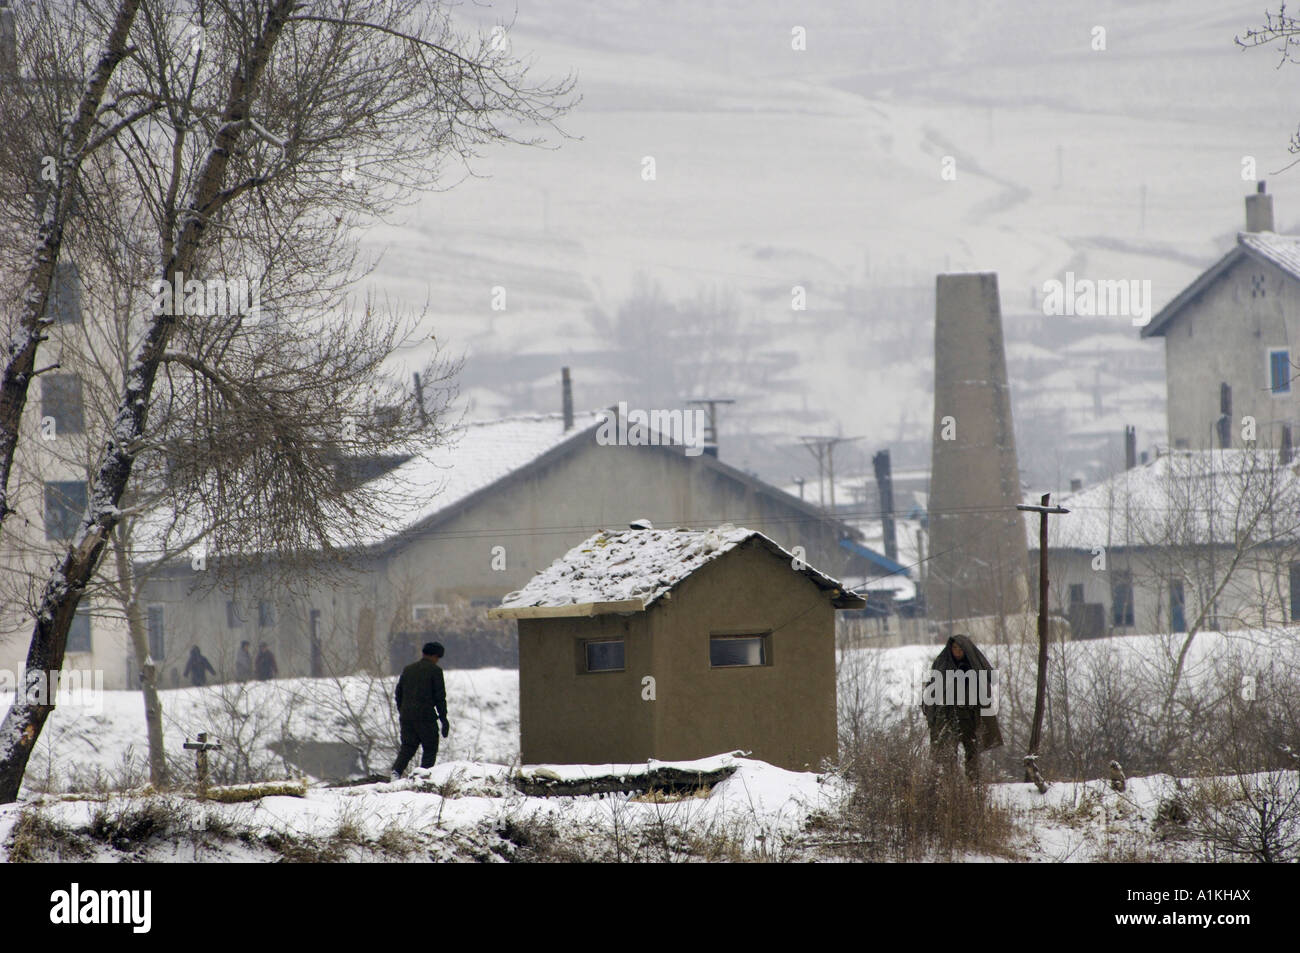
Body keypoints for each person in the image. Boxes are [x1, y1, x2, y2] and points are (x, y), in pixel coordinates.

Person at [921, 633, 1003, 782]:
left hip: (969, 715)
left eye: (960, 648)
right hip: (948, 715)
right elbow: (932, 687)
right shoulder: (943, 663)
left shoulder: (973, 664)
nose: (957, 651)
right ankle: (951, 787)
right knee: (948, 752)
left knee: (972, 751)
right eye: (954, 648)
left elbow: (986, 685)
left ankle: (973, 783)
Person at [392, 641, 450, 779]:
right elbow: (440, 697)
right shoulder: (435, 671)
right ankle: (423, 777)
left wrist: (403, 711)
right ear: (435, 656)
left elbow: (398, 694)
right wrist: (443, 719)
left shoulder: (408, 669)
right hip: (425, 717)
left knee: (408, 747)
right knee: (430, 748)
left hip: (406, 716)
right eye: (438, 658)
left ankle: (396, 773)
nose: (437, 661)